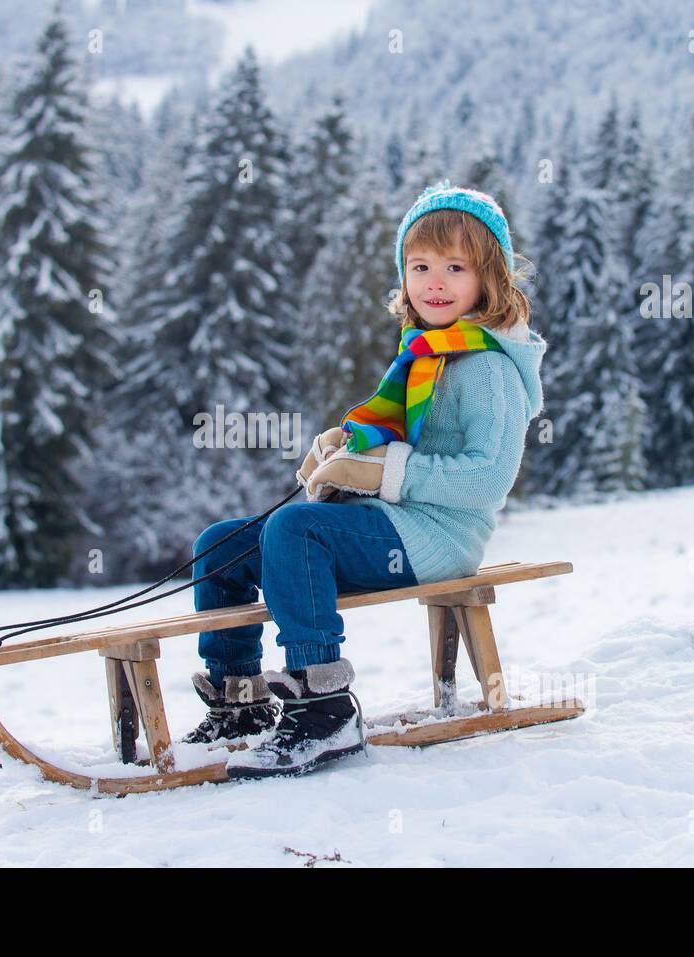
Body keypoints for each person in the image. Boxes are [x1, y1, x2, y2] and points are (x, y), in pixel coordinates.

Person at [185, 181, 548, 779]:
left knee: (297, 530)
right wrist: (346, 450)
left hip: (440, 538)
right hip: (396, 522)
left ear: (491, 279)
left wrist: (383, 473)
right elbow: (394, 435)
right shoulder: (425, 355)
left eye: (455, 267)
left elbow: (486, 480)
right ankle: (240, 706)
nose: (434, 281)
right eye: (420, 265)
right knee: (222, 545)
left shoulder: (487, 369)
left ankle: (323, 707)